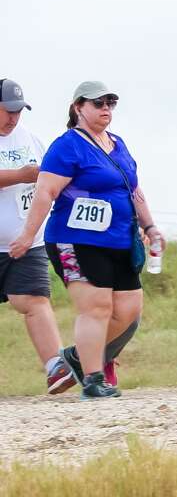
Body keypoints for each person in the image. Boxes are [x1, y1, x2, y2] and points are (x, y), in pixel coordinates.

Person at [10, 82, 165, 399]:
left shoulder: (118, 144)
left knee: (129, 308)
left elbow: (134, 189)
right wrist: (27, 236)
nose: (106, 108)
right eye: (98, 103)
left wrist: (150, 228)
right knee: (96, 306)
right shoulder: (67, 146)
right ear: (78, 107)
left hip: (119, 238)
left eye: (110, 102)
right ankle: (94, 379)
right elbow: (45, 192)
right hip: (74, 239)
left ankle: (78, 357)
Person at [0, 79, 76, 394]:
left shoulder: (32, 139)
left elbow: (52, 179)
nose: (13, 117)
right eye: (7, 111)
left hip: (26, 241)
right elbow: (27, 176)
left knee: (33, 300)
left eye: (18, 111)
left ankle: (56, 367)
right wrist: (21, 175)